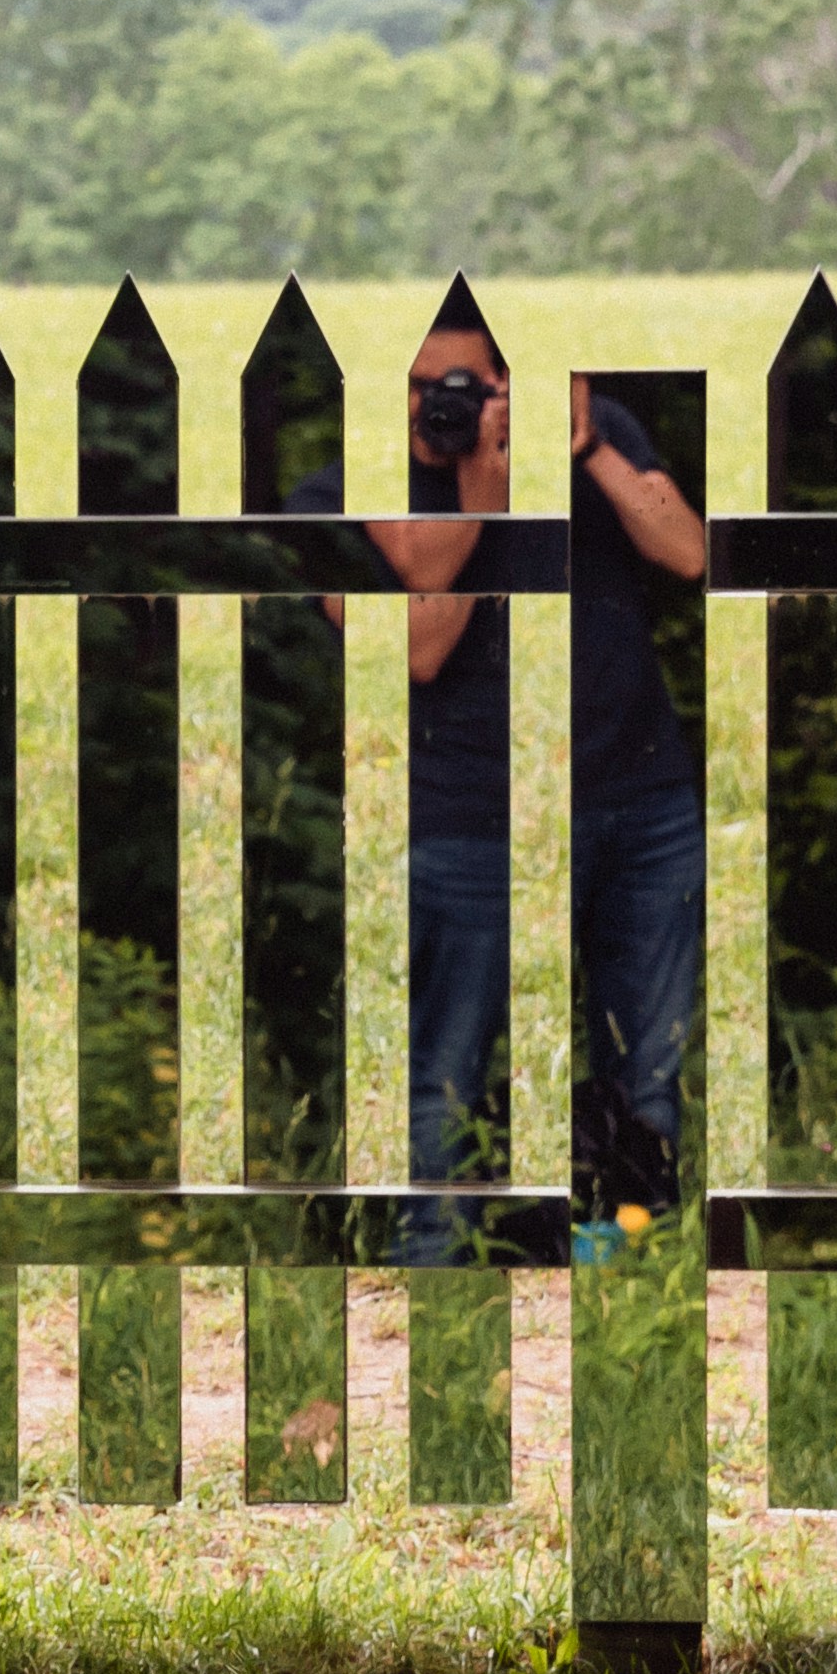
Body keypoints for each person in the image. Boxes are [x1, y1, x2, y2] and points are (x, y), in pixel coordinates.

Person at [360, 315, 528, 1265]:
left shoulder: (563, 464)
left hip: (604, 806)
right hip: (447, 822)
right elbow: (421, 644)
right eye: (423, 384)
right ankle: (426, 1276)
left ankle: (618, 1263)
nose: (442, 405)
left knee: (627, 1065)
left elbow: (689, 555)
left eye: (463, 385)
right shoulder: (342, 493)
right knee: (442, 1074)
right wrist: (485, 501)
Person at [569, 372, 711, 1226]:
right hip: (498, 802)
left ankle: (635, 1252)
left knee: (647, 1062)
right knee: (470, 1054)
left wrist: (588, 447)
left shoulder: (602, 430)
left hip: (645, 793)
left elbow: (688, 552)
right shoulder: (424, 442)